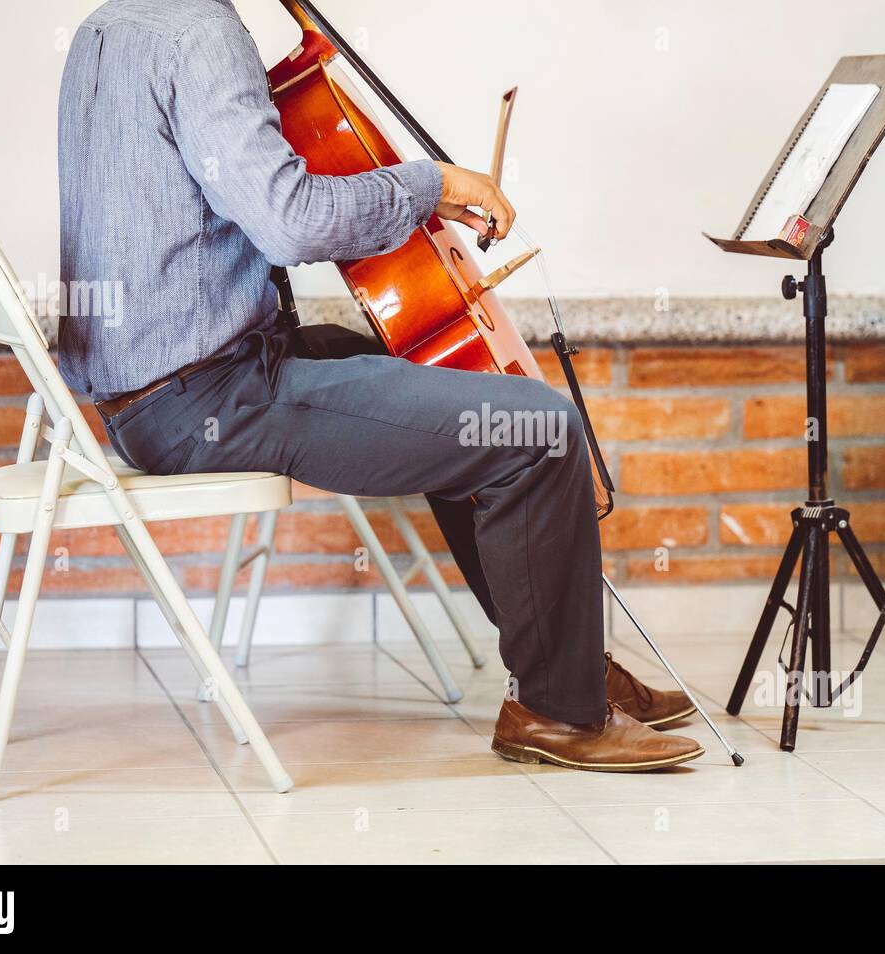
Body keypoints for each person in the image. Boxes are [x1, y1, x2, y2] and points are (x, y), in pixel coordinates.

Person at [57, 0, 703, 771]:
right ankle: (557, 712)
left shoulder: (105, 27)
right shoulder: (201, 33)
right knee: (537, 431)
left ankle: (566, 665)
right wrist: (426, 186)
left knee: (436, 372)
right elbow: (288, 222)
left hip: (145, 394)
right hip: (211, 397)